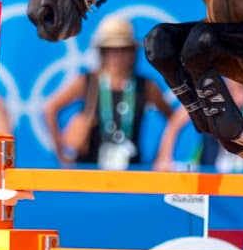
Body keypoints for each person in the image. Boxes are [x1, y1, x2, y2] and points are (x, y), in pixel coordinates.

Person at [43, 16, 173, 169]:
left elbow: (173, 119)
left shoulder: (146, 86)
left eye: (123, 50)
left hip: (132, 174)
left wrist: (163, 154)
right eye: (110, 51)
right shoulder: (88, 82)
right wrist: (61, 156)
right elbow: (50, 108)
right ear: (102, 53)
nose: (116, 57)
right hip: (89, 173)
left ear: (132, 53)